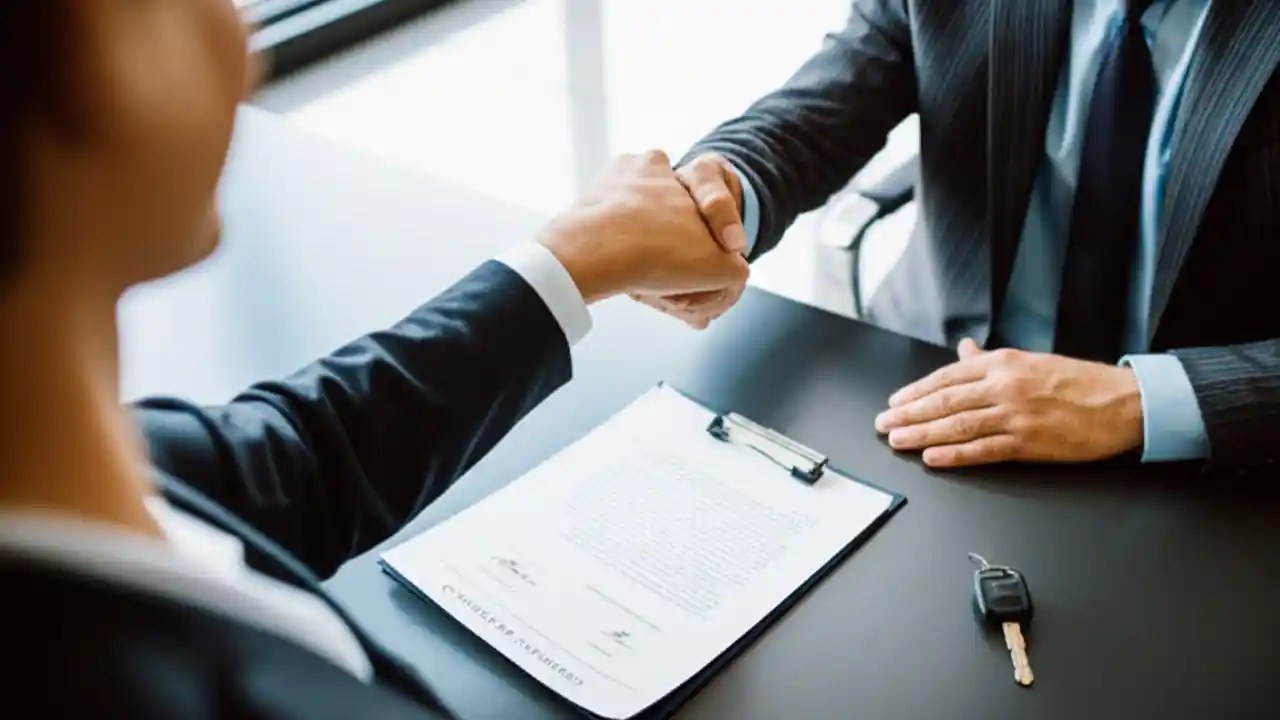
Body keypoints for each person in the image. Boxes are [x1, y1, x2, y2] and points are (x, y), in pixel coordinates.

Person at [0, 2, 747, 717]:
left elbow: (294, 464)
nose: (242, 29)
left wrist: (568, 260)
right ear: (93, 64)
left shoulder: (50, 464)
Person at [638, 0, 1280, 471]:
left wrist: (1144, 400)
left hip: (1204, 440)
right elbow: (824, 106)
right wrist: (724, 194)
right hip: (934, 374)